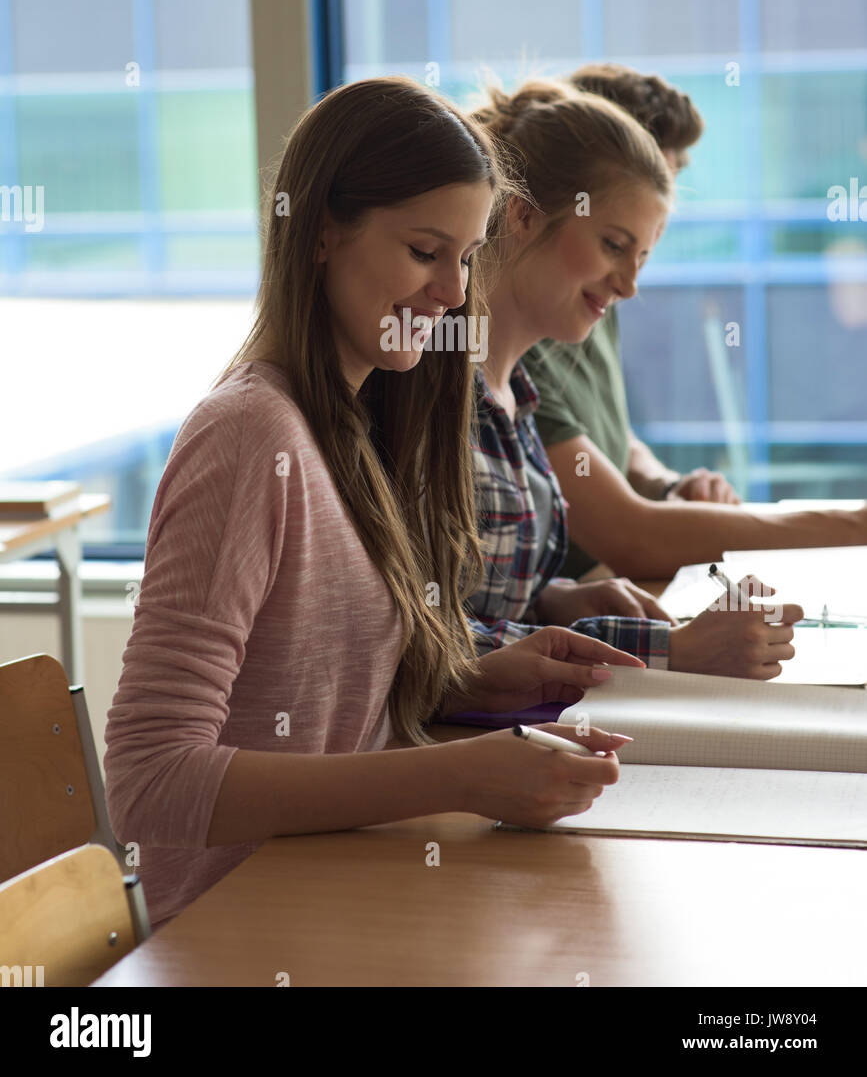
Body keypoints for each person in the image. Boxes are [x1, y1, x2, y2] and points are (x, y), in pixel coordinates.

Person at [102, 76, 635, 927]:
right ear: (320, 234)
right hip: (240, 929)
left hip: (338, 889)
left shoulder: (355, 422)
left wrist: (462, 678)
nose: (455, 294)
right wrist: (456, 774)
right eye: (426, 253)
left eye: (465, 259)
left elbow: (314, 708)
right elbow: (149, 782)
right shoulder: (248, 436)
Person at [466, 77, 806, 675]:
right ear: (522, 215)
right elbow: (412, 640)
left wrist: (561, 604)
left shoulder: (515, 392)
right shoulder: (437, 392)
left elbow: (473, 601)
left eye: (641, 257)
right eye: (613, 245)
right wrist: (669, 651)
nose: (629, 285)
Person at [501, 66, 867, 581]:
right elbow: (630, 536)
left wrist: (667, 486)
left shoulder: (576, 300)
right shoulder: (523, 330)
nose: (629, 283)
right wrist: (850, 527)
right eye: (616, 238)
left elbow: (605, 437)